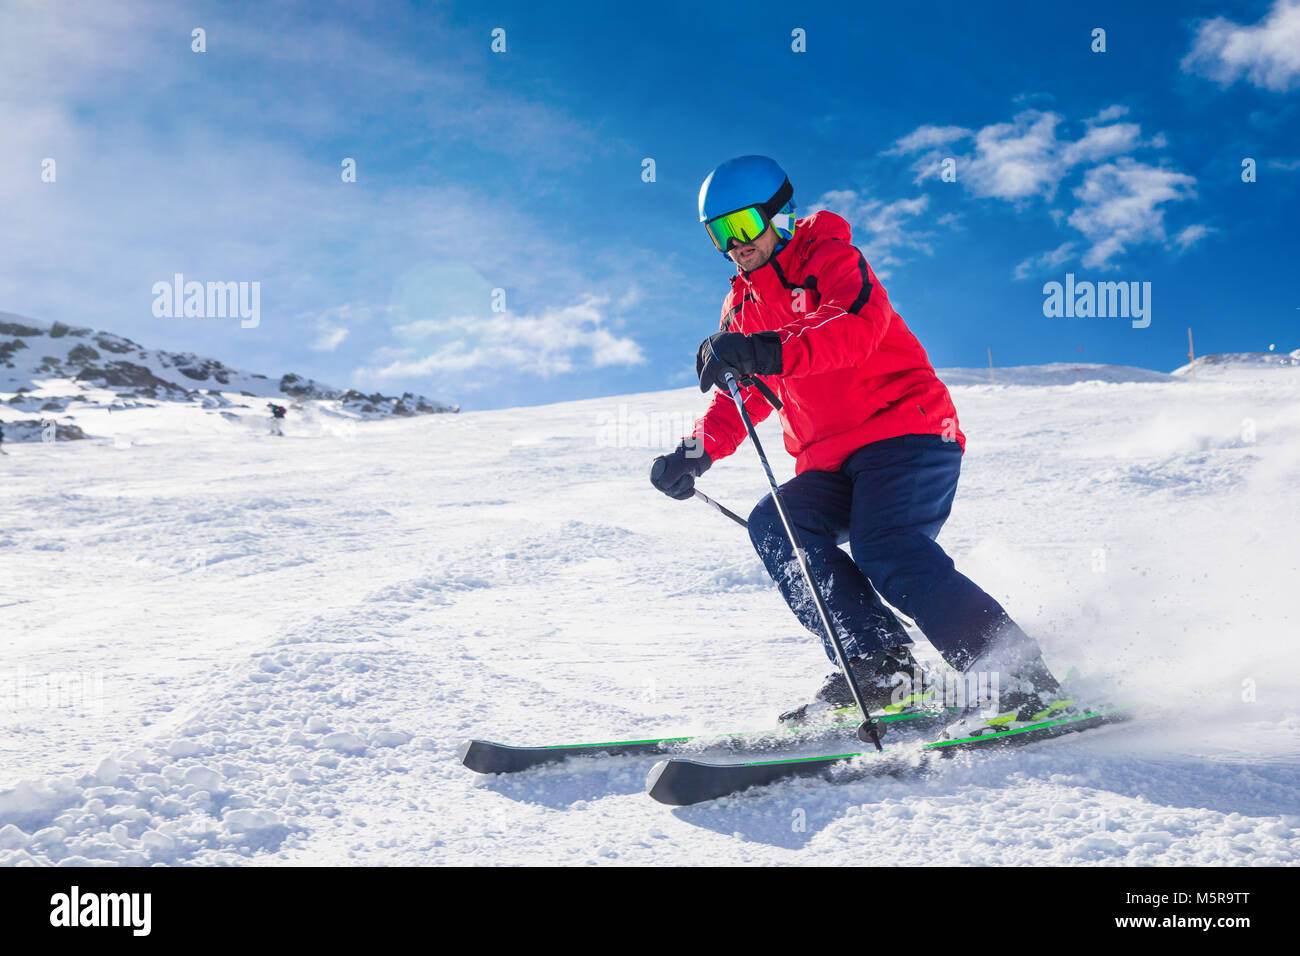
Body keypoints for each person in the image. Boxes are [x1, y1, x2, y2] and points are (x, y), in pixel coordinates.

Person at [650, 155, 1066, 734]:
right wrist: (693, 455)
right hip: (831, 461)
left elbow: (850, 329)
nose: (734, 245)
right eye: (718, 234)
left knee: (885, 545)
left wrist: (765, 351)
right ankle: (883, 669)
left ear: (780, 215)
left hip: (909, 433)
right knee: (776, 524)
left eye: (743, 225)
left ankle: (1018, 679)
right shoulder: (741, 308)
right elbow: (744, 400)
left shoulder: (831, 260)